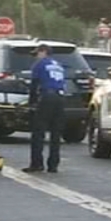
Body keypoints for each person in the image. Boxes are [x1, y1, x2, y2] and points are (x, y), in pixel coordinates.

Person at [24, 43, 67, 173]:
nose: (36, 57)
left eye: (37, 53)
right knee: (55, 133)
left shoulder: (40, 64)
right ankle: (53, 165)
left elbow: (34, 84)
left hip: (47, 97)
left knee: (38, 131)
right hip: (60, 98)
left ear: (43, 52)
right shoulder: (59, 65)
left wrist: (31, 102)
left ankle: (36, 164)